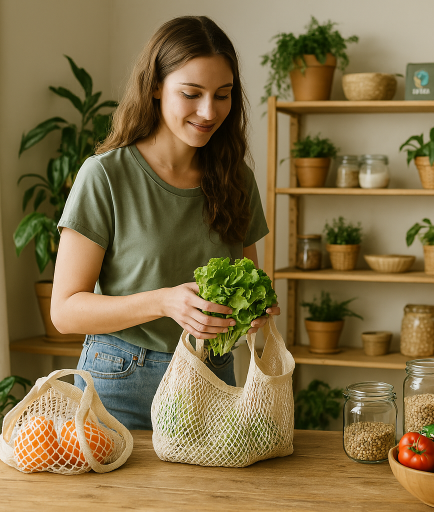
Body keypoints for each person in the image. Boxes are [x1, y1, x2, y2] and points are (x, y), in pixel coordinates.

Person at [50, 16, 278, 430]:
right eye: (191, 94)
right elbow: (65, 311)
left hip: (213, 376)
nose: (209, 111)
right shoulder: (105, 175)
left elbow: (249, 276)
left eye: (223, 95)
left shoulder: (236, 178)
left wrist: (252, 310)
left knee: (210, 498)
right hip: (119, 381)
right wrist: (164, 302)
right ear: (155, 86)